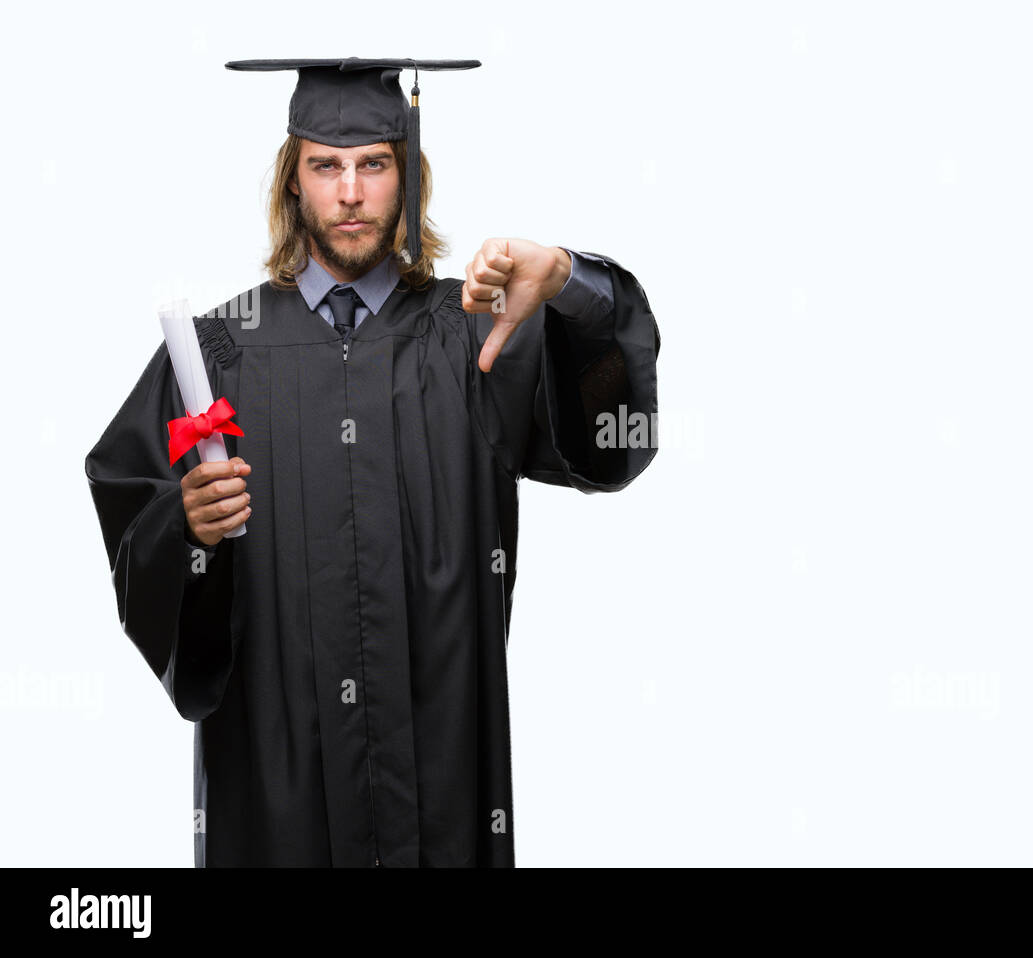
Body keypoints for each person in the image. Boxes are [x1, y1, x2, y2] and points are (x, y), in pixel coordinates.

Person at [84, 57, 660, 867]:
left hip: (443, 786)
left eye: (374, 164)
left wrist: (570, 284)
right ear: (293, 182)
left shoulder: (475, 337)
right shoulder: (218, 352)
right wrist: (185, 530)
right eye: (326, 165)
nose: (350, 192)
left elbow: (615, 444)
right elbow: (127, 510)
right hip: (275, 786)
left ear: (407, 177)